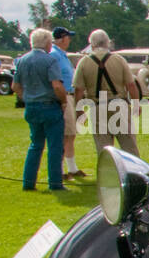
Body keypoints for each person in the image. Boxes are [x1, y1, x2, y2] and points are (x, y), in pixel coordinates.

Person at [12, 28, 68, 191]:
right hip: (49, 106)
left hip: (32, 106)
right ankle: (55, 183)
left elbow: (15, 86)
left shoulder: (22, 61)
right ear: (47, 43)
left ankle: (28, 182)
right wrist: (63, 101)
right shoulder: (50, 61)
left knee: (35, 145)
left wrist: (27, 98)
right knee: (55, 146)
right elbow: (57, 86)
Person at [72, 28, 141, 157]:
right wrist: (136, 104)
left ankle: (108, 174)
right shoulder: (119, 60)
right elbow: (131, 85)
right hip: (119, 105)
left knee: (104, 150)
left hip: (97, 107)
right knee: (129, 147)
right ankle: (135, 174)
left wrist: (79, 111)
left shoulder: (84, 62)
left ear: (92, 44)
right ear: (107, 42)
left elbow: (78, 90)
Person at [50, 27, 85, 179]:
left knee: (71, 133)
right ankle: (62, 169)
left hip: (69, 95)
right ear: (62, 38)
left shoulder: (62, 55)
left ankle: (72, 167)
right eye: (68, 37)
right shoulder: (54, 55)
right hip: (63, 96)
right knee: (65, 134)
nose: (69, 40)